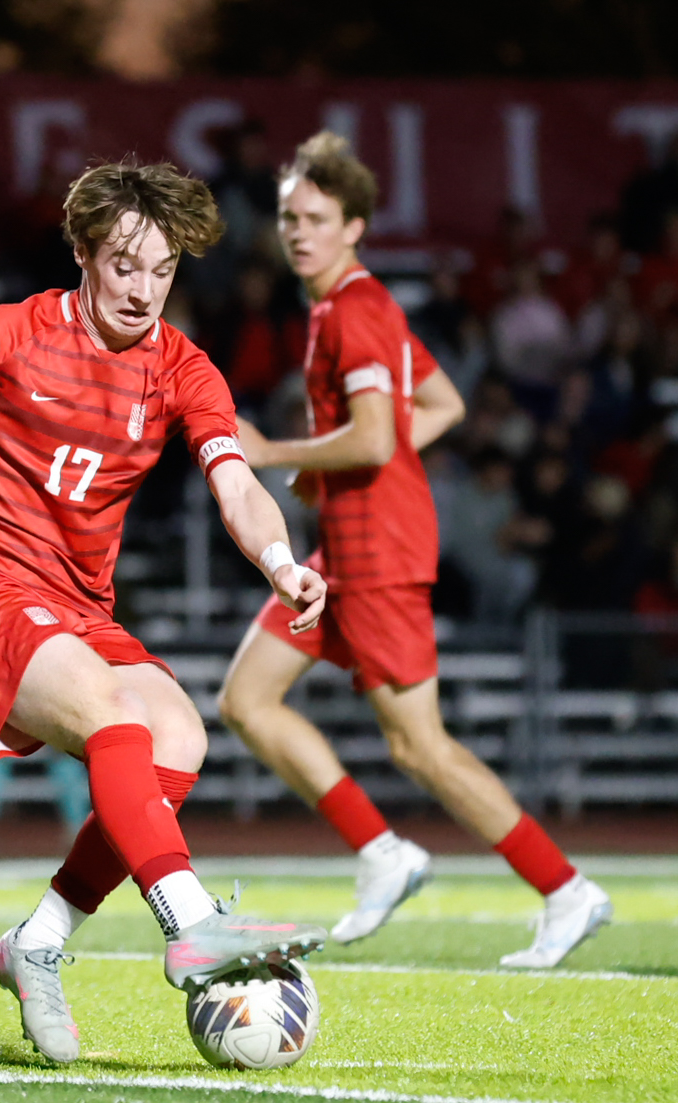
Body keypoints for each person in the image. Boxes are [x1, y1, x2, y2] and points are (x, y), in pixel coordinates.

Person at [0, 160, 328, 1065]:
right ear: (83, 255)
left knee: (178, 737)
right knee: (108, 712)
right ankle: (191, 924)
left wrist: (283, 562)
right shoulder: (12, 331)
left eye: (162, 270)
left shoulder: (181, 366)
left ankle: (40, 942)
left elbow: (237, 486)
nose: (143, 290)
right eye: (124, 265)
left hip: (75, 603)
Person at [219, 132, 611, 969]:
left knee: (419, 746)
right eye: (290, 217)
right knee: (249, 698)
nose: (298, 232)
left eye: (317, 218)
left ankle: (565, 888)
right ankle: (383, 852)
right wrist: (364, 462)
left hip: (379, 552)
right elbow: (442, 403)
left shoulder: (354, 313)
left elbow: (371, 437)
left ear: (355, 226)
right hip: (343, 547)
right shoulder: (353, 307)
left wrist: (278, 454)